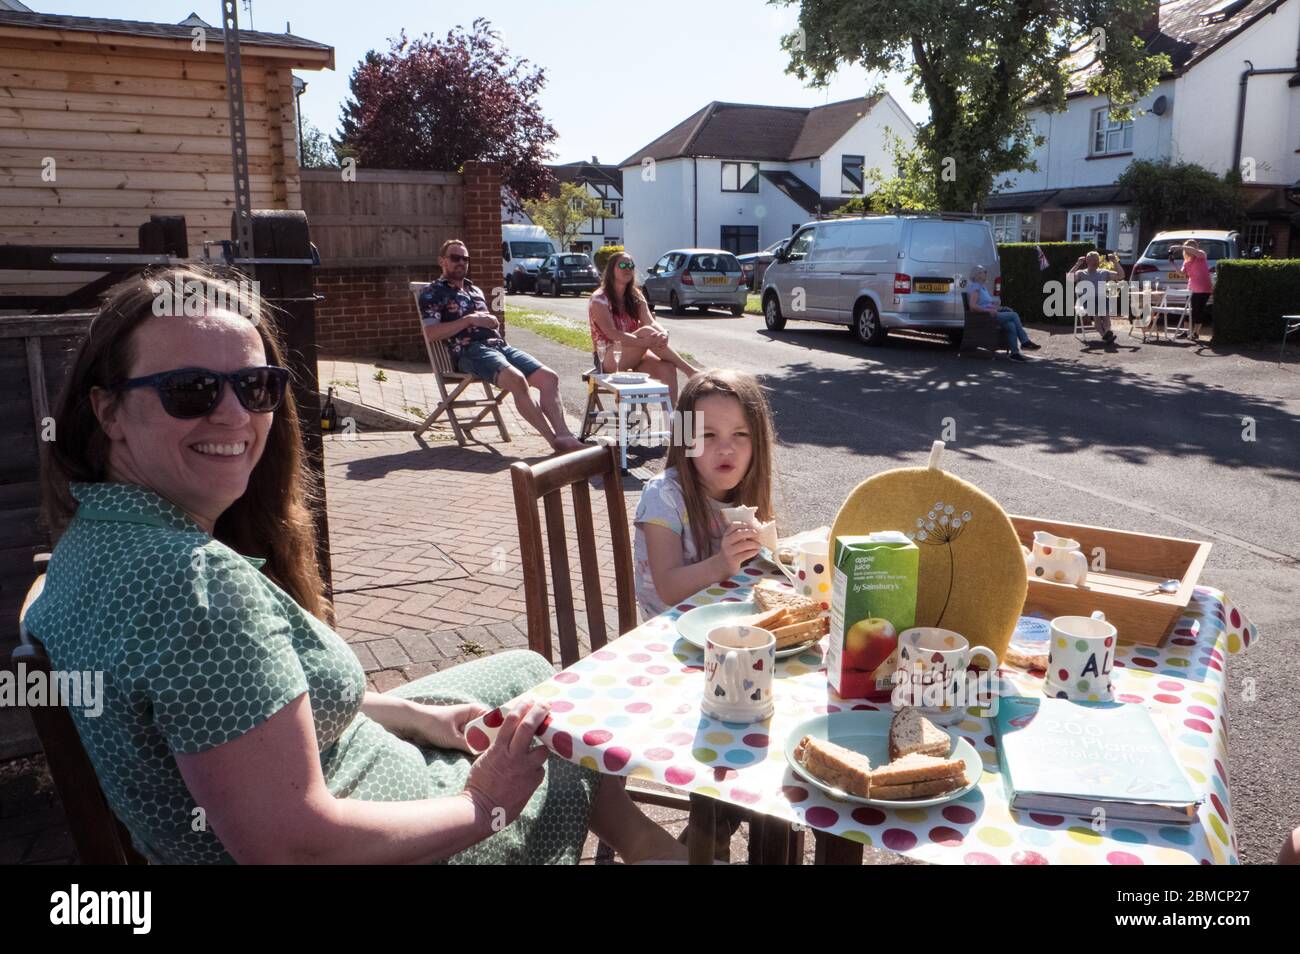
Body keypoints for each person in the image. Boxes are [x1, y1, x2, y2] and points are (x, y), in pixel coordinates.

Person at [25, 267, 685, 864]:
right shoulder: (195, 589)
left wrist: (417, 718)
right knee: (559, 723)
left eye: (256, 386)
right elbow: (296, 849)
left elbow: (225, 714)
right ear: (108, 409)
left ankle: (638, 841)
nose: (234, 414)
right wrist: (486, 802)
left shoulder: (91, 539)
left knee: (529, 672)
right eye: (190, 390)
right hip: (395, 839)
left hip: (353, 772)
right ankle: (650, 847)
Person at [633, 369, 776, 619]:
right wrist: (722, 564)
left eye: (740, 434)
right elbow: (668, 588)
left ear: (758, 442)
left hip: (728, 616)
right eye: (708, 435)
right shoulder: (664, 496)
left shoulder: (746, 489)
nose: (726, 449)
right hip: (670, 631)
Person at [420, 239, 585, 452]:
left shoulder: (475, 290)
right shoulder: (432, 292)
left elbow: (486, 320)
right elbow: (431, 333)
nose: (461, 262)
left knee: (549, 378)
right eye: (455, 258)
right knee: (517, 381)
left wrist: (492, 321)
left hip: (499, 347)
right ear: (441, 261)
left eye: (465, 258)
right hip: (471, 352)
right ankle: (553, 441)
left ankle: (564, 435)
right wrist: (469, 320)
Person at [589, 252, 700, 405]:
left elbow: (649, 321)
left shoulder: (635, 295)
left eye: (631, 265)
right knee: (646, 332)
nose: (628, 269)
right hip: (608, 357)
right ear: (611, 270)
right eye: (623, 265)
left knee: (667, 367)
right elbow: (612, 333)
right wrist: (645, 342)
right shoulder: (599, 298)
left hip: (636, 353)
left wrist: (662, 333)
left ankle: (672, 419)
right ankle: (690, 371)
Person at [966, 266, 1040, 362]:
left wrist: (1002, 308)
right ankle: (1025, 341)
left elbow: (986, 304)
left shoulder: (981, 287)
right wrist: (988, 311)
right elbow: (972, 306)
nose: (986, 273)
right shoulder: (975, 287)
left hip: (991, 315)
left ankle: (1015, 354)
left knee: (1011, 325)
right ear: (978, 274)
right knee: (1014, 315)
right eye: (984, 272)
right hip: (986, 318)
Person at [1070, 250, 1126, 347]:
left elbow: (1121, 275)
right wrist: (1077, 264)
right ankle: (1106, 334)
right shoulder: (1081, 273)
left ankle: (1107, 333)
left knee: (1104, 314)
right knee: (1097, 314)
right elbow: (1069, 278)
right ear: (1087, 261)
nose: (1096, 262)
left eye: (1097, 259)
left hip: (1101, 299)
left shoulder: (1103, 272)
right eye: (1093, 260)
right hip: (1087, 300)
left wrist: (1115, 261)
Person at [1167, 239, 1212, 341]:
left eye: (1189, 247)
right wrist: (1173, 264)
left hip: (1204, 288)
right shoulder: (1186, 261)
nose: (1187, 251)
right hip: (1191, 288)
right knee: (1188, 310)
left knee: (1198, 311)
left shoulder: (1201, 255)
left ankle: (1195, 333)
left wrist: (1180, 247)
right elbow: (1182, 274)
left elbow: (1194, 251)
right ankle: (1185, 331)